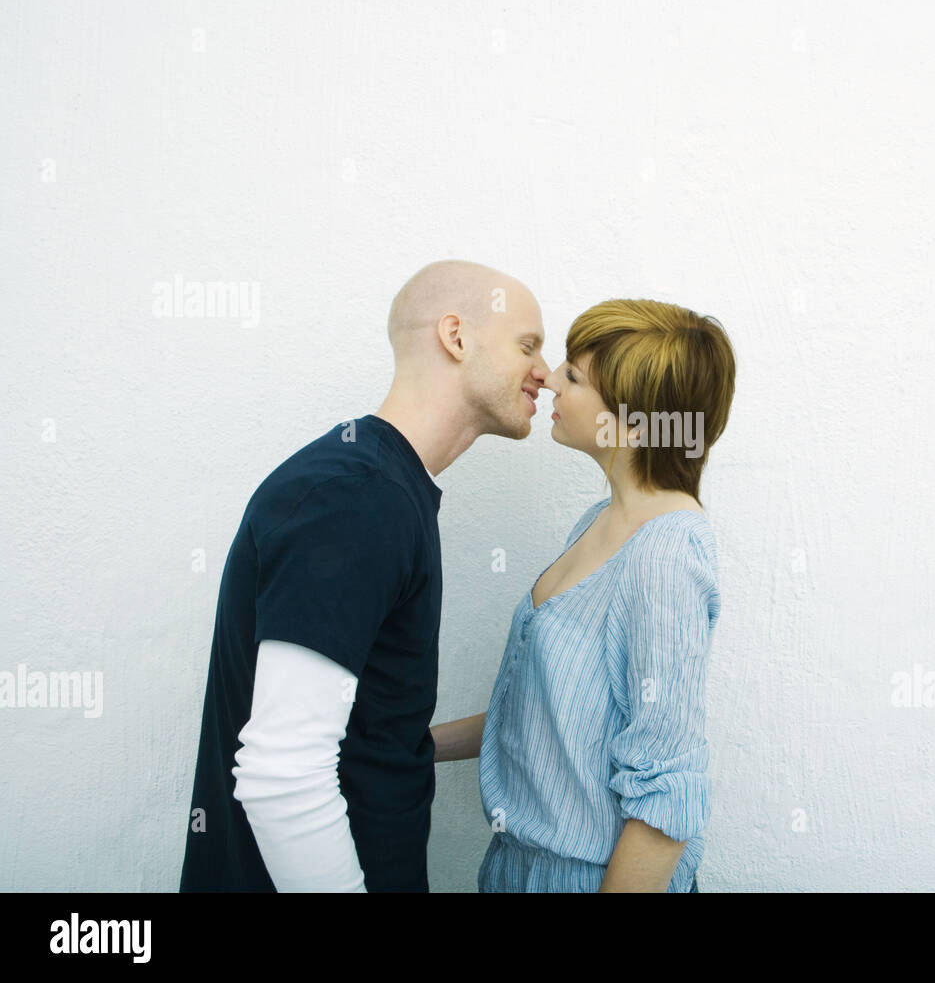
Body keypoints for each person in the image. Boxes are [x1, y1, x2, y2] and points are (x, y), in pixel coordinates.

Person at [180, 259, 551, 892]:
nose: (544, 371)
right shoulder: (355, 497)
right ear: (457, 337)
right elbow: (282, 772)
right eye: (528, 346)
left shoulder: (380, 488)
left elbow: (364, 726)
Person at [432, 298, 736, 892]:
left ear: (632, 421)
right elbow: (547, 718)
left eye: (573, 375)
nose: (546, 376)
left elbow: (665, 795)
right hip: (518, 871)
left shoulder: (666, 554)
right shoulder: (601, 521)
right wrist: (413, 746)